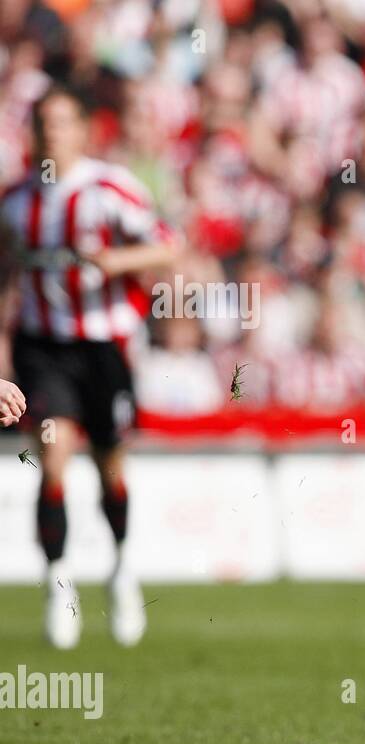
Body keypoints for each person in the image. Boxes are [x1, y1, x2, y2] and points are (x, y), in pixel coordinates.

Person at [0, 85, 178, 649]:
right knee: (52, 457)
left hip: (104, 347)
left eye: (61, 123)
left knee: (110, 464)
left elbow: (167, 246)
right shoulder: (14, 202)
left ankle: (122, 569)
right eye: (42, 124)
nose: (51, 134)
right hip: (42, 347)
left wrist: (117, 259)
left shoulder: (109, 188)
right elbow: (8, 273)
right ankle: (58, 581)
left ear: (81, 130)